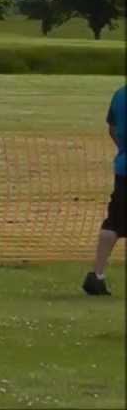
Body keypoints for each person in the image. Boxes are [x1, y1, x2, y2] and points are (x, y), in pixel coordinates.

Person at [83, 84, 126, 296]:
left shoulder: (120, 94)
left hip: (124, 168)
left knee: (114, 222)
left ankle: (97, 275)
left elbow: (112, 128)